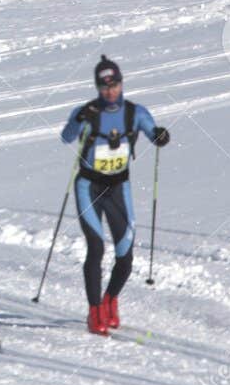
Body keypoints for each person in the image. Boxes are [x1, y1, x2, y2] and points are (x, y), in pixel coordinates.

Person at [59, 55, 169, 336]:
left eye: (114, 85)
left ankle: (110, 299)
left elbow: (152, 131)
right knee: (96, 247)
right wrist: (78, 120)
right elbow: (66, 137)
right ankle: (95, 310)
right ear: (98, 87)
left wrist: (159, 136)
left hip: (119, 188)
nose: (110, 91)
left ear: (121, 84)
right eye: (104, 87)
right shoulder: (87, 111)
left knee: (125, 253)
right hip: (89, 186)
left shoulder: (135, 112)